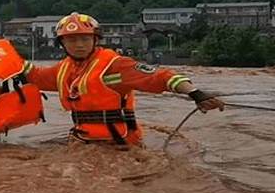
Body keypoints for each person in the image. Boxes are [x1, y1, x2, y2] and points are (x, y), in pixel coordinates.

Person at [23, 12, 224, 146]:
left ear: (95, 40)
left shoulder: (116, 66)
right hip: (81, 140)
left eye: (85, 39)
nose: (79, 45)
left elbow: (162, 77)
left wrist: (195, 93)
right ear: (62, 43)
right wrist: (2, 63)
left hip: (119, 144)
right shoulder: (63, 69)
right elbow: (35, 76)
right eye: (72, 40)